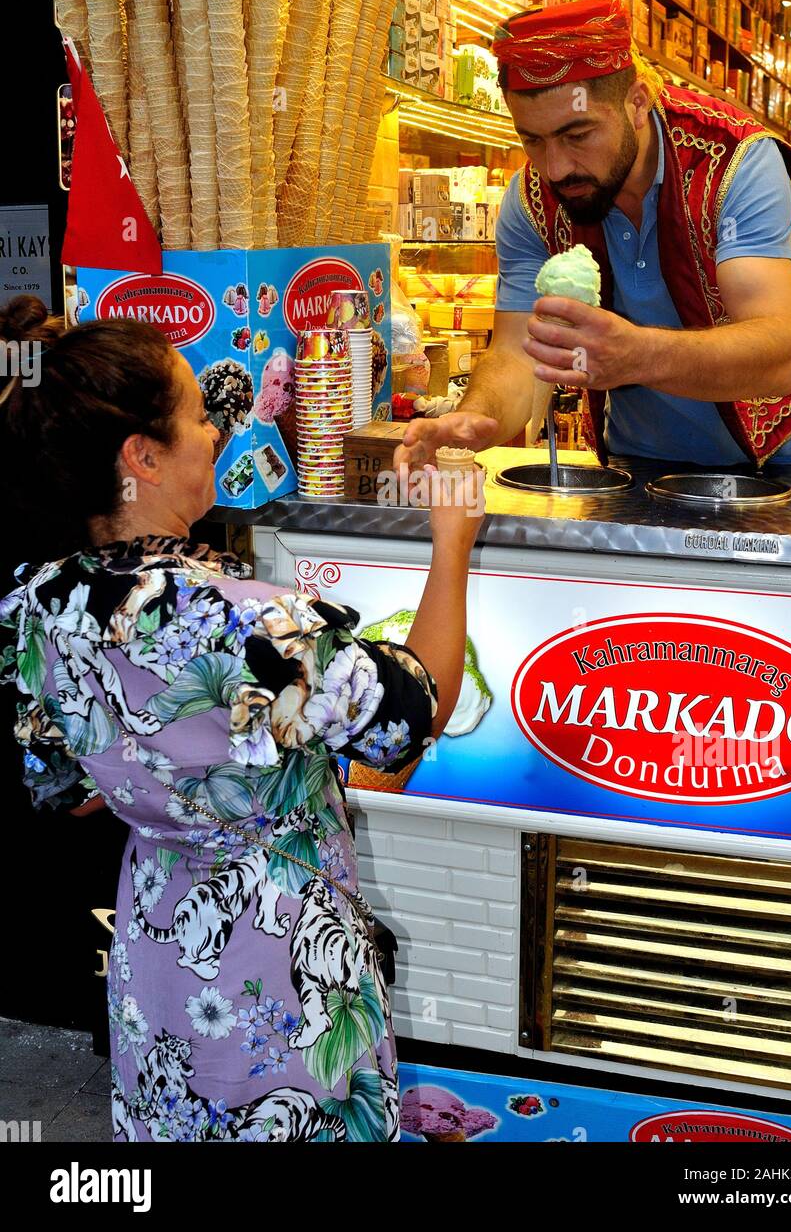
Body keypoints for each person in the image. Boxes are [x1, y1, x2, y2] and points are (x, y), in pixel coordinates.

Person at [0, 297, 484, 1142]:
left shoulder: (37, 606)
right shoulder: (246, 623)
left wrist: (166, 770)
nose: (217, 432)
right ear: (142, 457)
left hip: (156, 948)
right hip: (282, 958)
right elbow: (412, 713)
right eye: (197, 416)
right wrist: (452, 542)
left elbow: (61, 786)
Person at [396, 0, 791, 473]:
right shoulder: (529, 200)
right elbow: (516, 352)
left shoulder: (734, 160)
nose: (555, 167)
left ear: (637, 101)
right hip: (638, 467)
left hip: (787, 465)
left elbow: (780, 357)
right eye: (532, 139)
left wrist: (636, 355)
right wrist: (477, 417)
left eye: (577, 135)